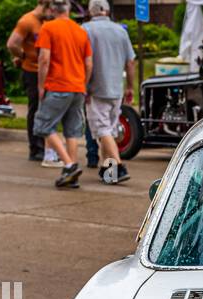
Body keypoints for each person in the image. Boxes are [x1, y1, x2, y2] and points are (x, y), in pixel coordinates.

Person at [34, 0, 93, 188]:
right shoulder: (81, 31)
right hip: (77, 88)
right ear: (68, 9)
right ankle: (72, 172)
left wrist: (41, 86)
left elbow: (44, 59)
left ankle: (69, 164)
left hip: (58, 86)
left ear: (52, 9)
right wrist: (83, 83)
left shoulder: (48, 28)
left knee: (43, 126)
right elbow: (89, 63)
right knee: (72, 131)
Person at [82, 0, 135, 184]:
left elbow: (85, 62)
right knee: (110, 131)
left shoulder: (85, 30)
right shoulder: (121, 30)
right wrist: (130, 87)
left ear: (91, 12)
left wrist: (84, 85)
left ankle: (118, 167)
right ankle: (108, 172)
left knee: (102, 130)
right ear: (107, 11)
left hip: (96, 89)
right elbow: (130, 62)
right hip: (116, 89)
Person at [6, 0, 54, 162]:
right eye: (50, 9)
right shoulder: (27, 21)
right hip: (32, 71)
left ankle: (45, 145)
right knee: (35, 109)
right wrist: (22, 56)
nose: (52, 13)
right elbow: (12, 44)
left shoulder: (48, 22)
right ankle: (35, 148)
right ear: (43, 4)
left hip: (47, 71)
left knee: (47, 109)